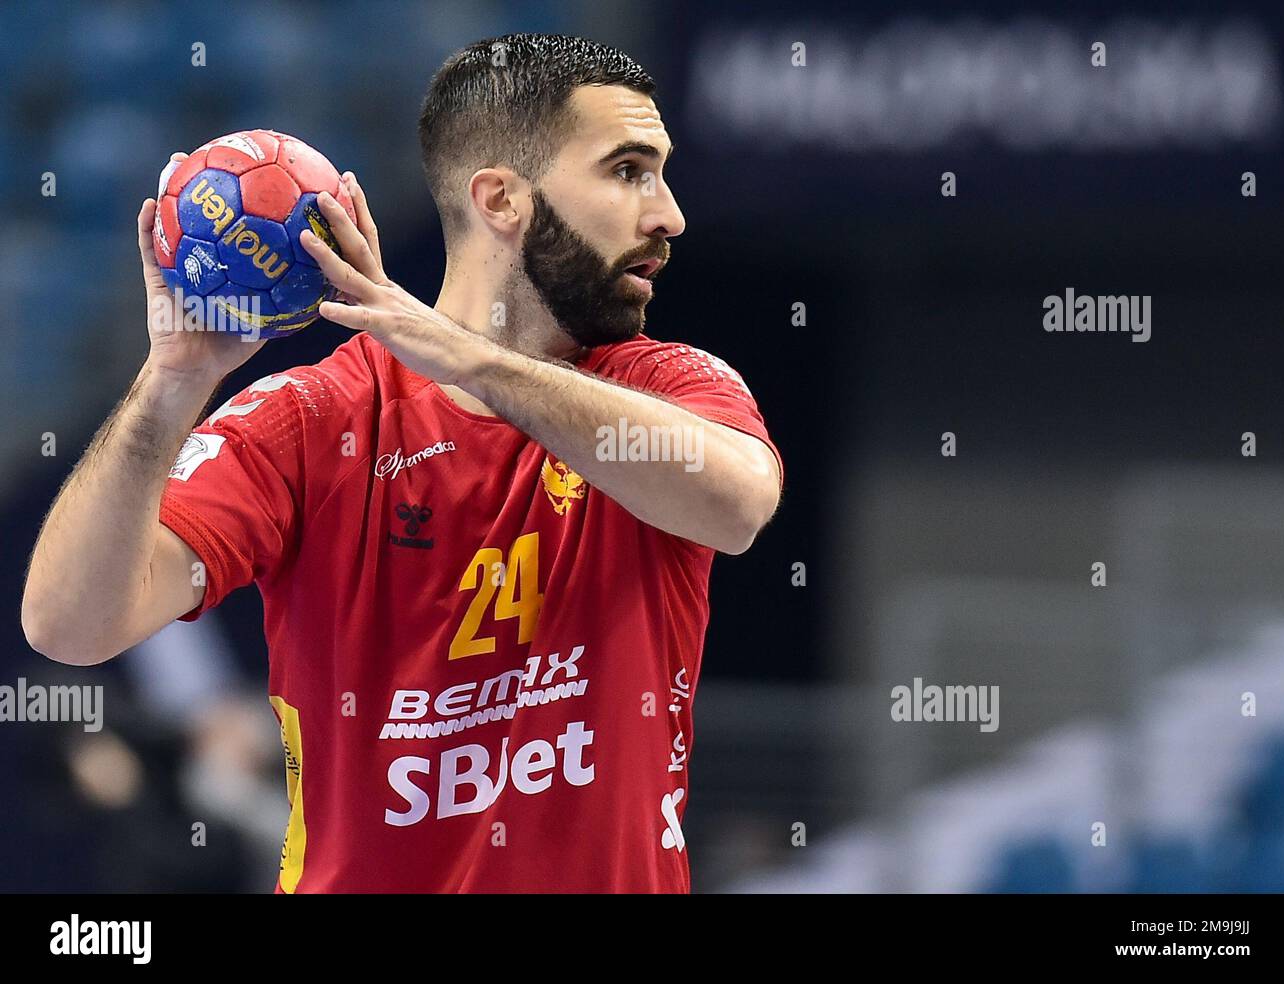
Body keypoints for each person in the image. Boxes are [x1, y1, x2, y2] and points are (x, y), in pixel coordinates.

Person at [22, 33, 782, 893]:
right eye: (630, 170)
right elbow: (70, 626)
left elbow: (738, 504)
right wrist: (170, 385)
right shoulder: (310, 420)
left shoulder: (665, 386)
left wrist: (470, 359)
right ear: (502, 199)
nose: (668, 213)